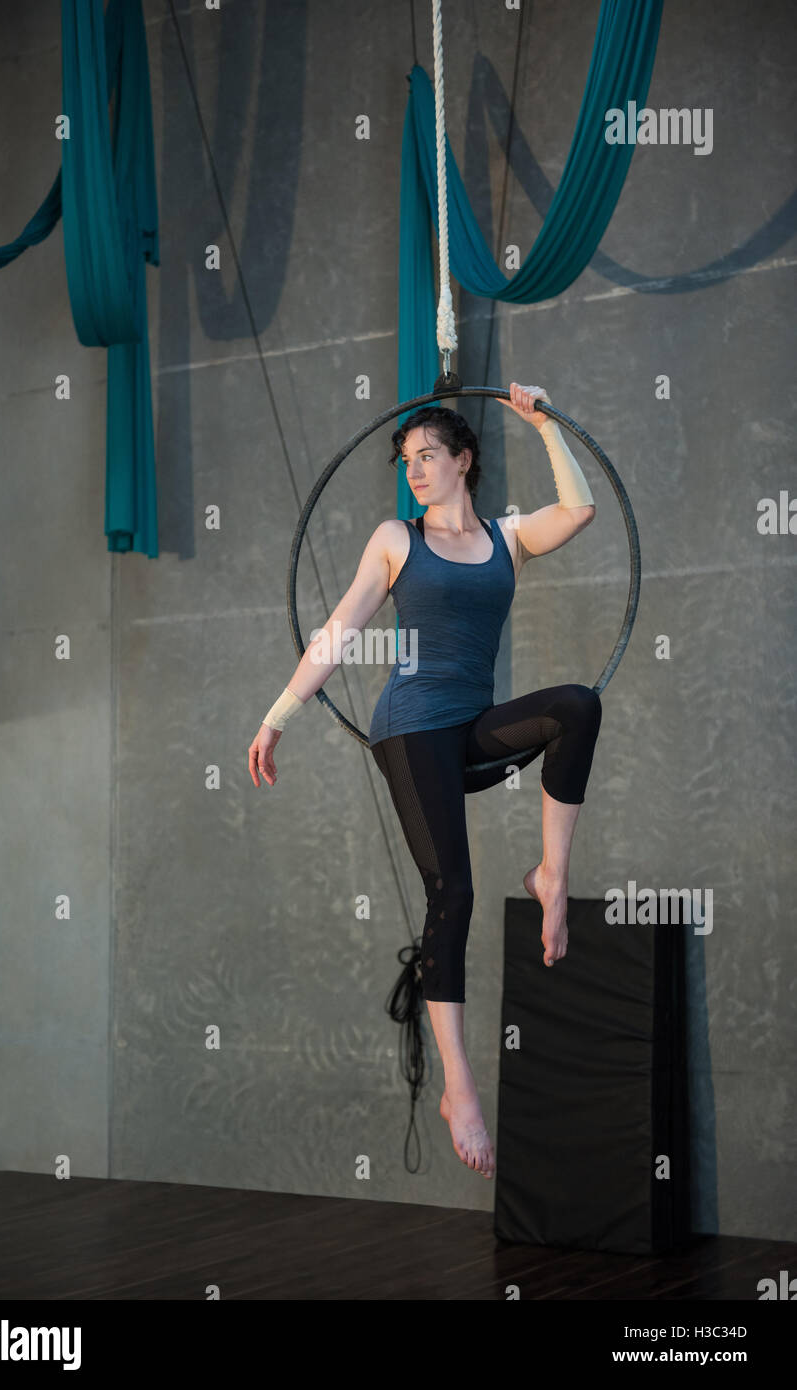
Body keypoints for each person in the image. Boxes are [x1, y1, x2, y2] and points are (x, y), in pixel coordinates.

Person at [248, 382, 602, 1180]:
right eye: (406, 460)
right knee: (456, 893)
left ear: (463, 462)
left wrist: (543, 425)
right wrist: (276, 717)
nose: (414, 470)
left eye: (428, 456)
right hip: (410, 731)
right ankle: (460, 1090)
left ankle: (552, 873)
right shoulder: (394, 540)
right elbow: (336, 634)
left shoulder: (507, 540)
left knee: (577, 706)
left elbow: (577, 512)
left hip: (468, 732)